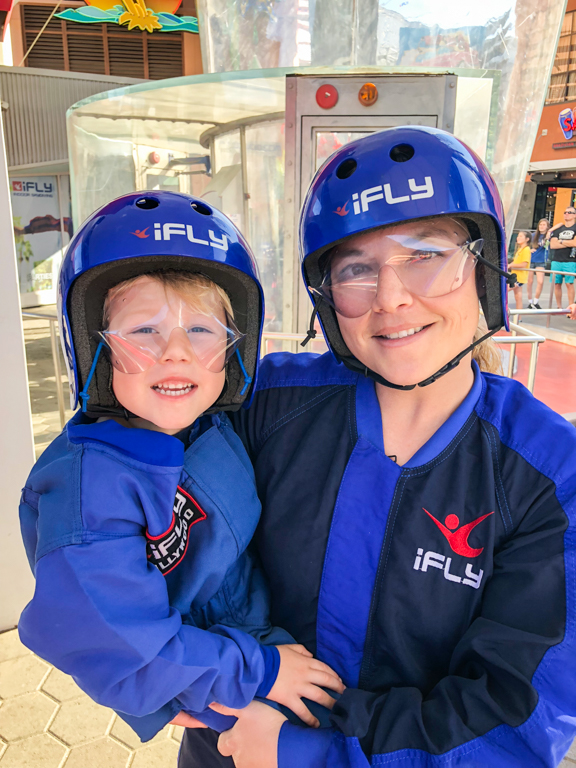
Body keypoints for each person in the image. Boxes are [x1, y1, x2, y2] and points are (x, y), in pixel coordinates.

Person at [178, 127, 576, 768]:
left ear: (486, 264)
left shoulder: (551, 475)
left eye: (426, 255)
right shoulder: (263, 403)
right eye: (356, 269)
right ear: (326, 299)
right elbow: (117, 498)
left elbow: (514, 727)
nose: (390, 298)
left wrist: (314, 750)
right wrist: (158, 668)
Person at [17, 192, 343, 743]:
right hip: (227, 675)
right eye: (143, 332)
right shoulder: (88, 488)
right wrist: (256, 671)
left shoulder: (208, 429)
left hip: (254, 647)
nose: (175, 353)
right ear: (95, 348)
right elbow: (113, 640)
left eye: (202, 330)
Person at [549, 205, 576, 307]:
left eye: (569, 212)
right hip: (556, 260)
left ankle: (570, 308)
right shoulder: (559, 228)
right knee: (556, 284)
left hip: (570, 260)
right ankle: (559, 307)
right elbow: (552, 244)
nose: (566, 214)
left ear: (574, 215)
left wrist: (560, 241)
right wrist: (567, 242)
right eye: (565, 212)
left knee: (569, 284)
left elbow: (575, 243)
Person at [527, 217, 550, 309]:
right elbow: (524, 245)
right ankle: (530, 302)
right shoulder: (533, 235)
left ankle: (536, 301)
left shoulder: (548, 236)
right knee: (530, 281)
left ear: (547, 227)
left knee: (540, 282)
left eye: (544, 225)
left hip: (540, 261)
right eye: (540, 224)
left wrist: (549, 233)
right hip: (531, 260)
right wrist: (529, 249)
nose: (541, 226)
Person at [508, 230, 531, 309]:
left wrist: (511, 265)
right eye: (518, 236)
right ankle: (518, 318)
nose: (518, 238)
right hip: (516, 275)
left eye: (521, 236)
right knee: (518, 297)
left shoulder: (526, 250)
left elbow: (524, 264)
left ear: (527, 239)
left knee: (504, 291)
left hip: (519, 278)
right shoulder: (520, 249)